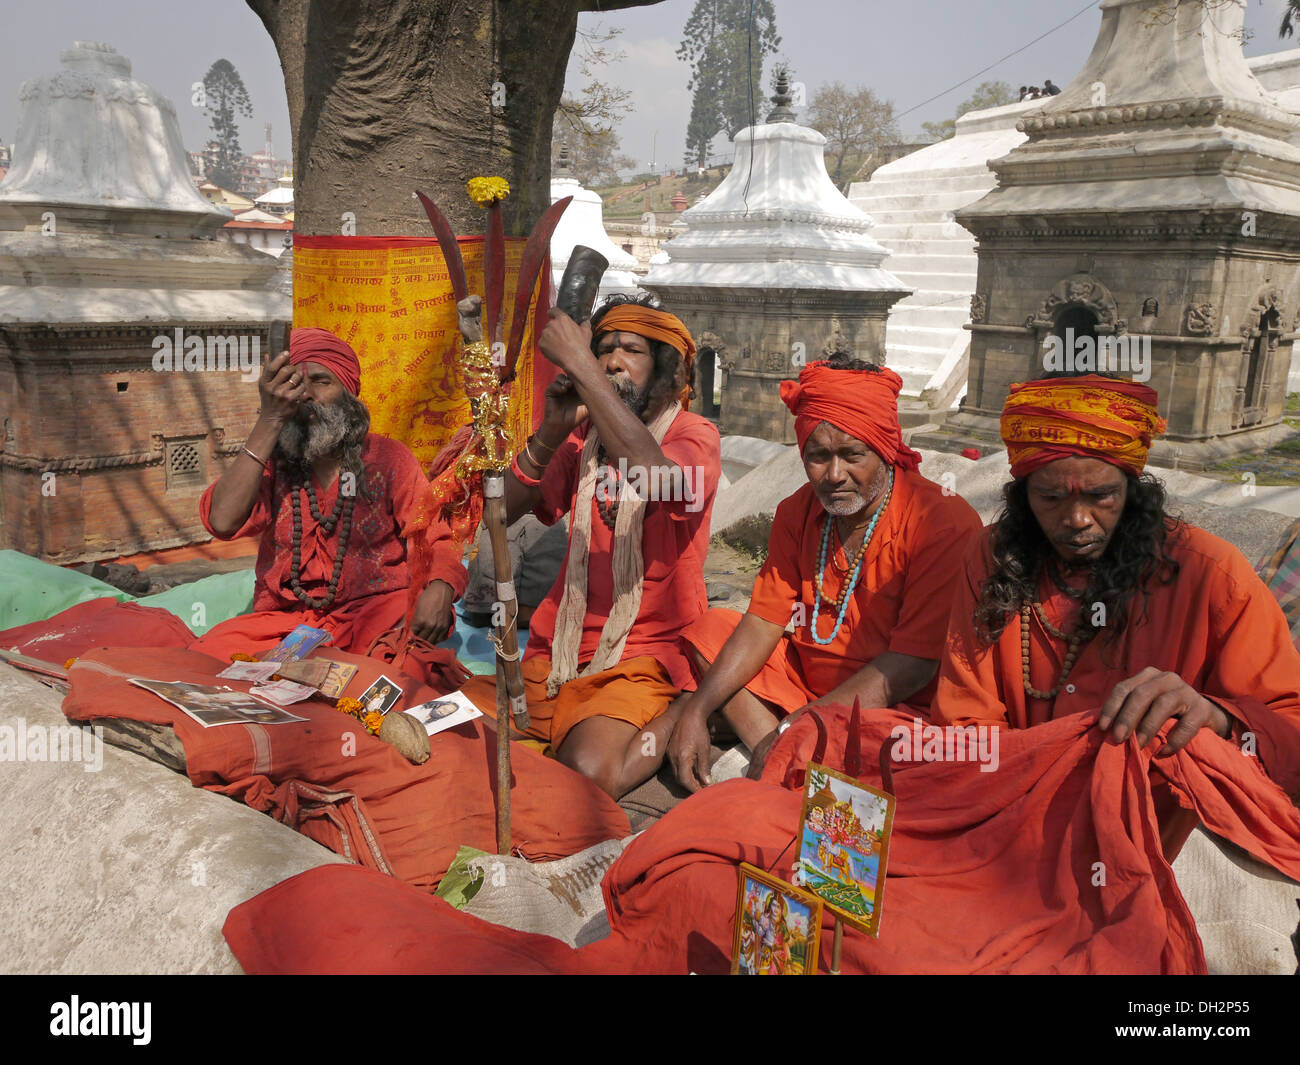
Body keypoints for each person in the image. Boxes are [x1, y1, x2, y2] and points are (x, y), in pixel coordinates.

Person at [931, 372, 1300, 848]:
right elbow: (964, 715)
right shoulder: (991, 556)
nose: (1078, 520)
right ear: (1022, 495)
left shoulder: (1211, 573)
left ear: (1131, 488)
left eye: (1101, 496)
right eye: (1051, 498)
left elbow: (1289, 730)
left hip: (1146, 834)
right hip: (1004, 815)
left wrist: (1214, 715)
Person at [667, 356, 982, 791]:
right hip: (803, 689)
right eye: (818, 457)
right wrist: (696, 712)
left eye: (852, 455)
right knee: (710, 631)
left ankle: (785, 751)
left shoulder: (942, 523)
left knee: (907, 756)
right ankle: (788, 758)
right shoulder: (797, 511)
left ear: (885, 448)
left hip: (893, 706)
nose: (834, 476)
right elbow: (763, 620)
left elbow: (911, 666)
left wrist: (800, 724)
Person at [458, 293, 721, 799]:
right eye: (603, 349)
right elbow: (497, 515)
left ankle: (681, 712)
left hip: (642, 655)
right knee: (451, 732)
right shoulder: (583, 440)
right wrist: (551, 433)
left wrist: (582, 366)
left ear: (668, 371)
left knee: (586, 775)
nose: (612, 362)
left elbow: (661, 481)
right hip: (555, 654)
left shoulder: (694, 434)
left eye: (631, 351)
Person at [193, 328, 468, 687]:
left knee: (407, 669)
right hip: (286, 622)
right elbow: (222, 520)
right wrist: (269, 420)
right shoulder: (272, 463)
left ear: (349, 395)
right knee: (206, 659)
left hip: (373, 615)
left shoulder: (388, 459)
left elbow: (436, 536)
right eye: (294, 384)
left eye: (321, 382)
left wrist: (441, 588)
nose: (305, 395)